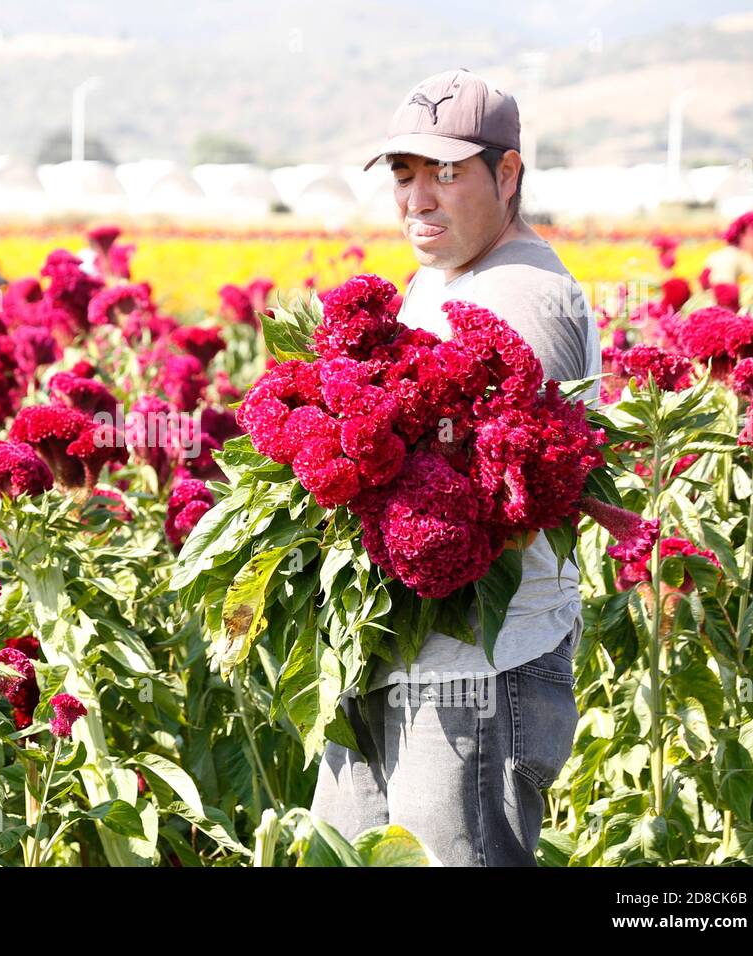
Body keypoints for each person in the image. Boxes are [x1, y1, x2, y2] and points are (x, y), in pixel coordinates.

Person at [310, 69, 599, 866]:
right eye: (404, 176)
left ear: (507, 175)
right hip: (400, 653)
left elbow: (514, 493)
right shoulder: (441, 280)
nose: (417, 201)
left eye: (445, 173)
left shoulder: (529, 297)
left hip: (479, 669)